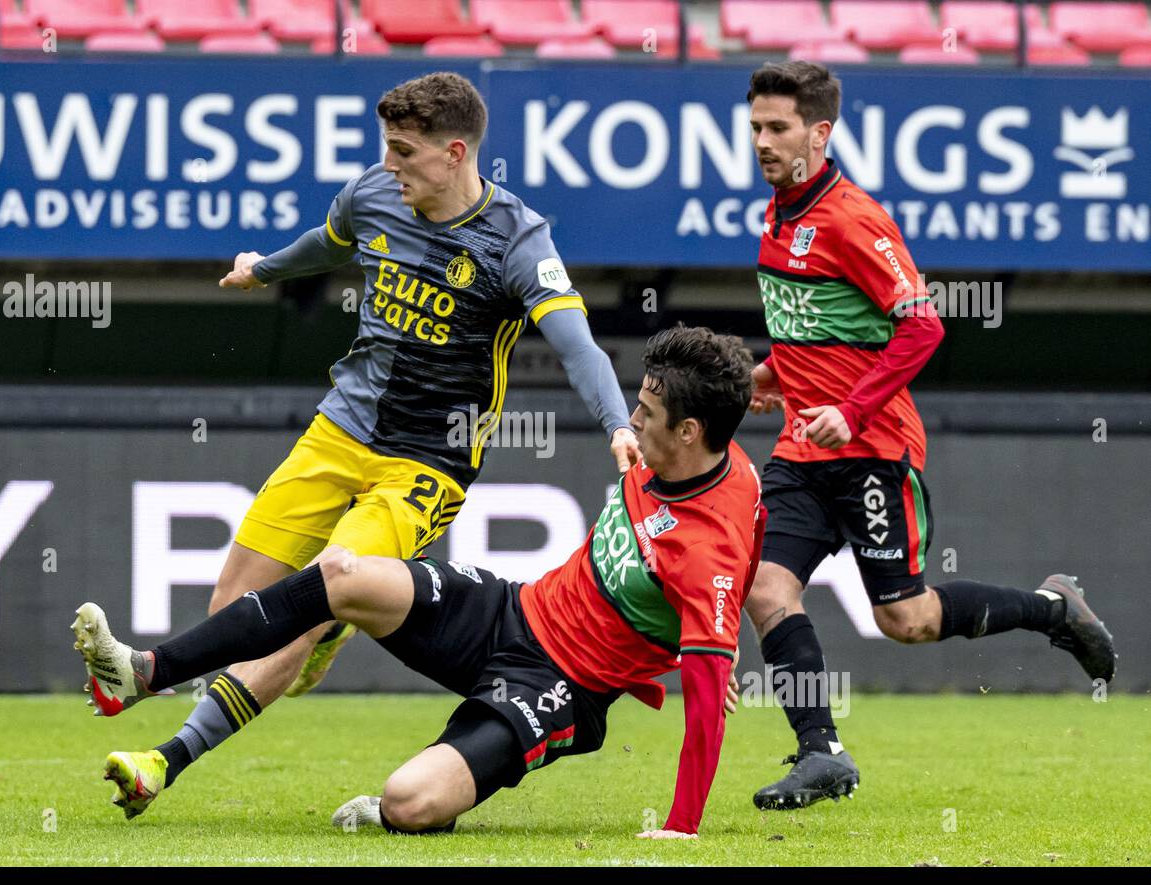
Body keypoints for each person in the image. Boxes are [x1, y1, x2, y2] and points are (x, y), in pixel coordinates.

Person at [80, 72, 640, 817]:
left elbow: (576, 344)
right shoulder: (375, 195)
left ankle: (164, 759)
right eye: (385, 148)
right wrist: (264, 269)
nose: (390, 164)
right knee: (236, 608)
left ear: (454, 152)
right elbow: (329, 241)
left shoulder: (516, 238)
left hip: (425, 464)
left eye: (404, 151)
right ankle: (311, 643)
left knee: (312, 595)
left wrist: (617, 423)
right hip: (339, 429)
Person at [73, 327, 763, 837]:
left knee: (407, 802)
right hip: (511, 609)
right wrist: (694, 637)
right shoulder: (699, 466)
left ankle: (403, 809)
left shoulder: (708, 553)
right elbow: (742, 557)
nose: (631, 421)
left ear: (691, 431)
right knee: (339, 573)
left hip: (558, 690)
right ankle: (143, 672)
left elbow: (705, 698)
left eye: (645, 414)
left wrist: (680, 826)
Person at [743, 61, 1116, 810]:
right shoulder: (780, 218)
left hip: (872, 449)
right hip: (802, 449)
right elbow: (821, 328)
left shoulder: (854, 218)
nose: (761, 141)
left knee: (905, 620)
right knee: (765, 587)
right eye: (754, 127)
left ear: (820, 133)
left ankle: (1054, 608)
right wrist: (774, 372)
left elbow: (921, 325)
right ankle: (823, 753)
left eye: (777, 127)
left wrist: (850, 409)